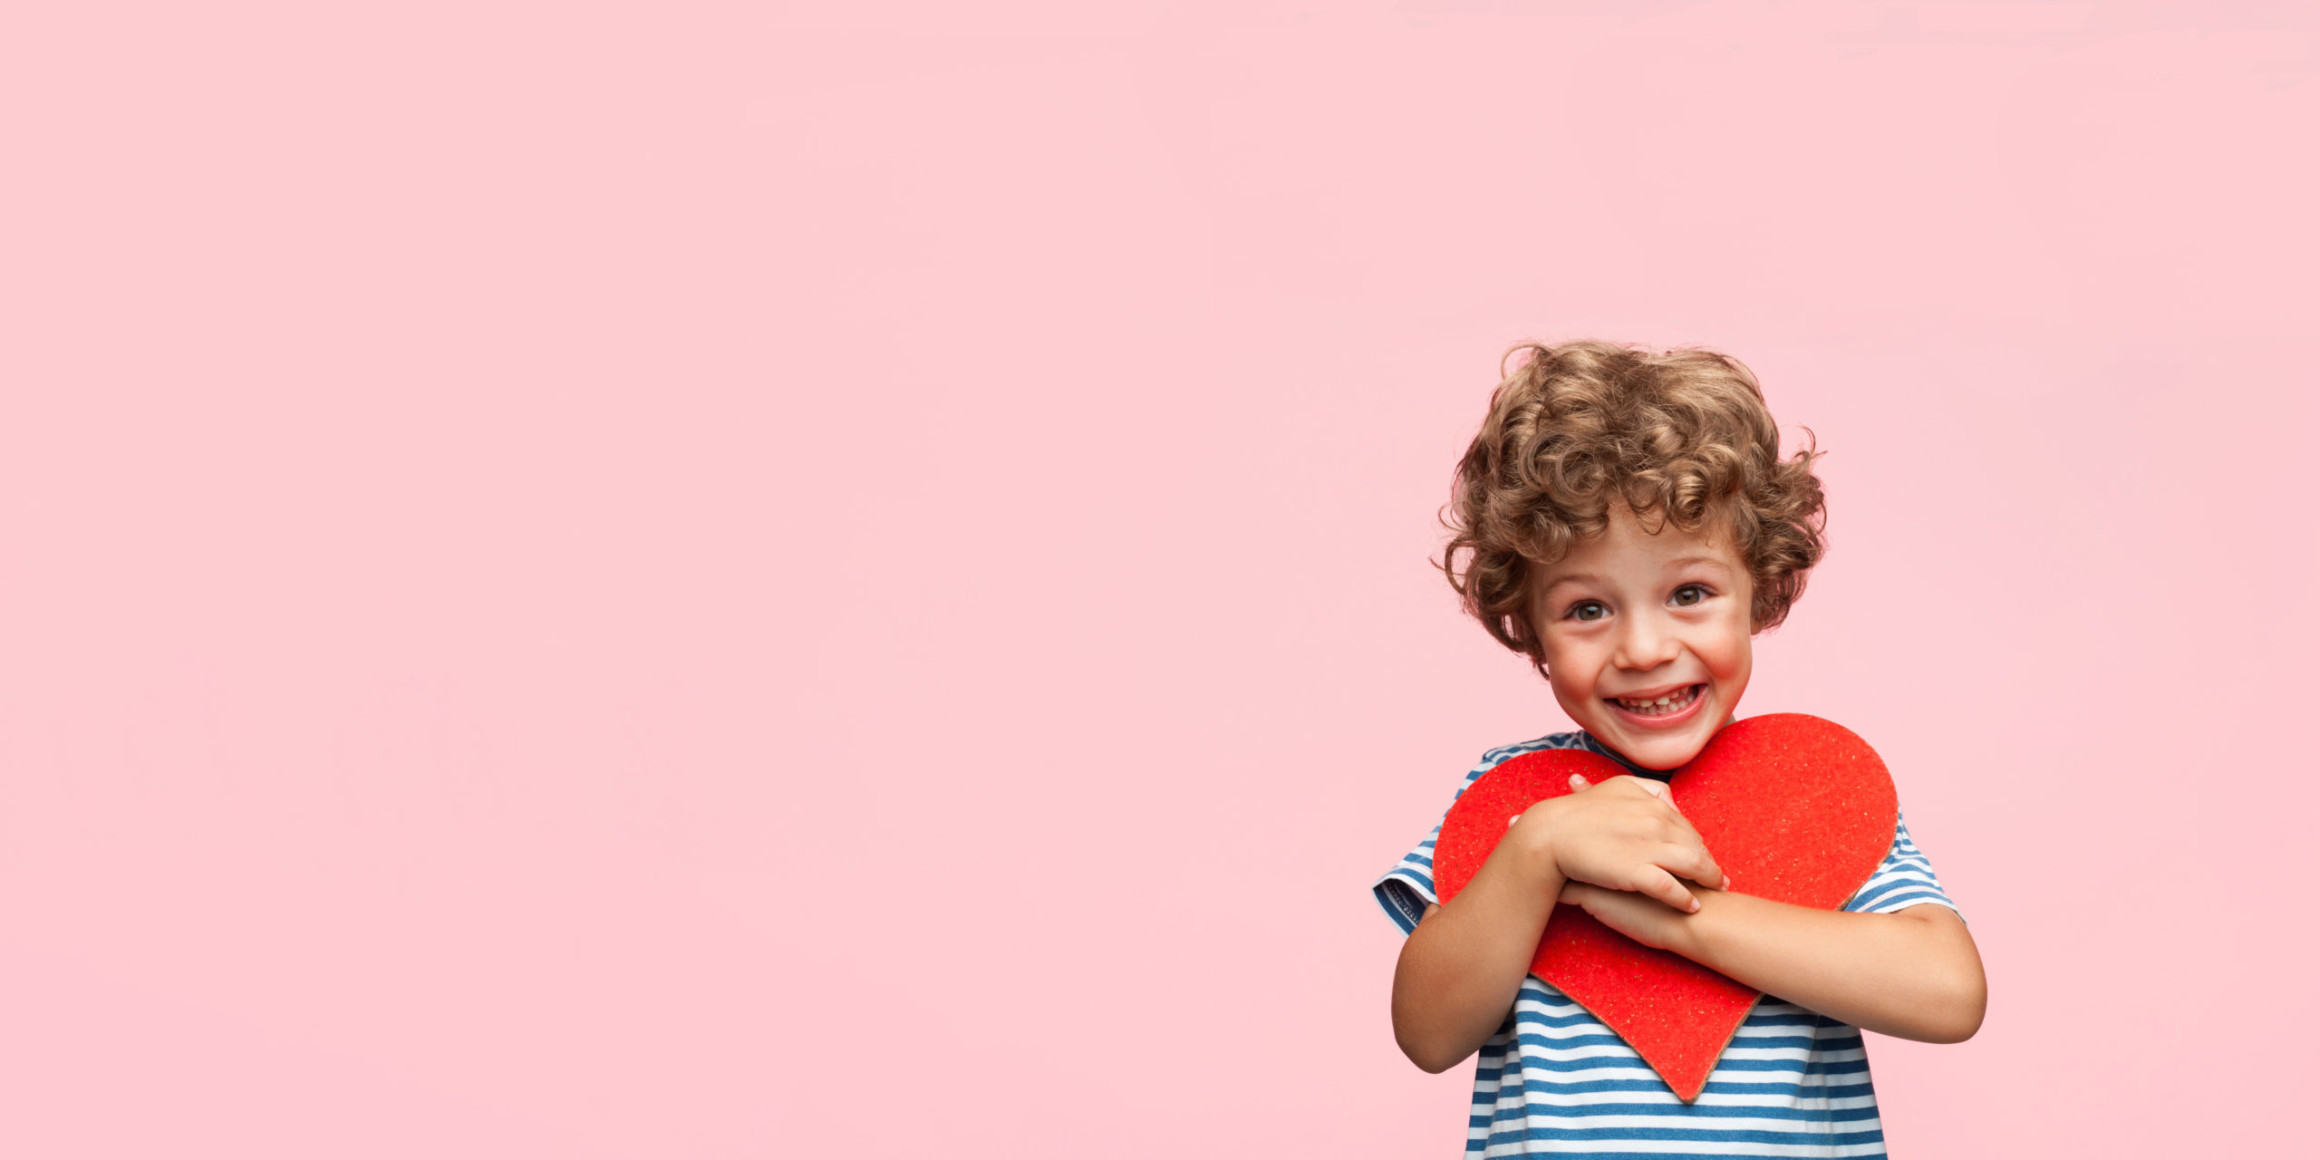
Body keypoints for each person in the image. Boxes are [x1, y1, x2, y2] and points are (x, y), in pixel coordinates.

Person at [1376, 340, 1986, 1157]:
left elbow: (1947, 993)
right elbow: (1428, 1034)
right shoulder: (1513, 795)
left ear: (1758, 587)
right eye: (1588, 610)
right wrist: (1538, 850)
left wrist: (1681, 923)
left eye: (1689, 594)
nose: (1644, 649)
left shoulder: (1814, 786)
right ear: (1528, 624)